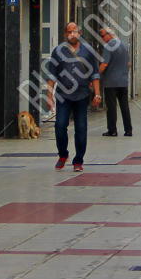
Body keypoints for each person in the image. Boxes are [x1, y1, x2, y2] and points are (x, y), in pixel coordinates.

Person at [45, 22, 102, 172]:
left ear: (80, 33)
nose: (72, 34)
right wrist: (49, 96)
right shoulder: (58, 51)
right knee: (60, 126)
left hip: (82, 95)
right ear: (65, 34)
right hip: (63, 95)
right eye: (69, 32)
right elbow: (51, 75)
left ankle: (78, 160)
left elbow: (95, 73)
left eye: (75, 31)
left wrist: (97, 93)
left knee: (81, 128)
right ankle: (63, 154)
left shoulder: (88, 51)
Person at [97, 26, 132, 138]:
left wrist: (96, 76)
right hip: (123, 81)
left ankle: (112, 130)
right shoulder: (124, 45)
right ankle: (128, 130)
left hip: (111, 82)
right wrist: (124, 73)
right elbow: (129, 64)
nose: (102, 38)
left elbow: (104, 64)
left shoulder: (109, 46)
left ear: (109, 34)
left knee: (111, 107)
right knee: (124, 106)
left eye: (102, 36)